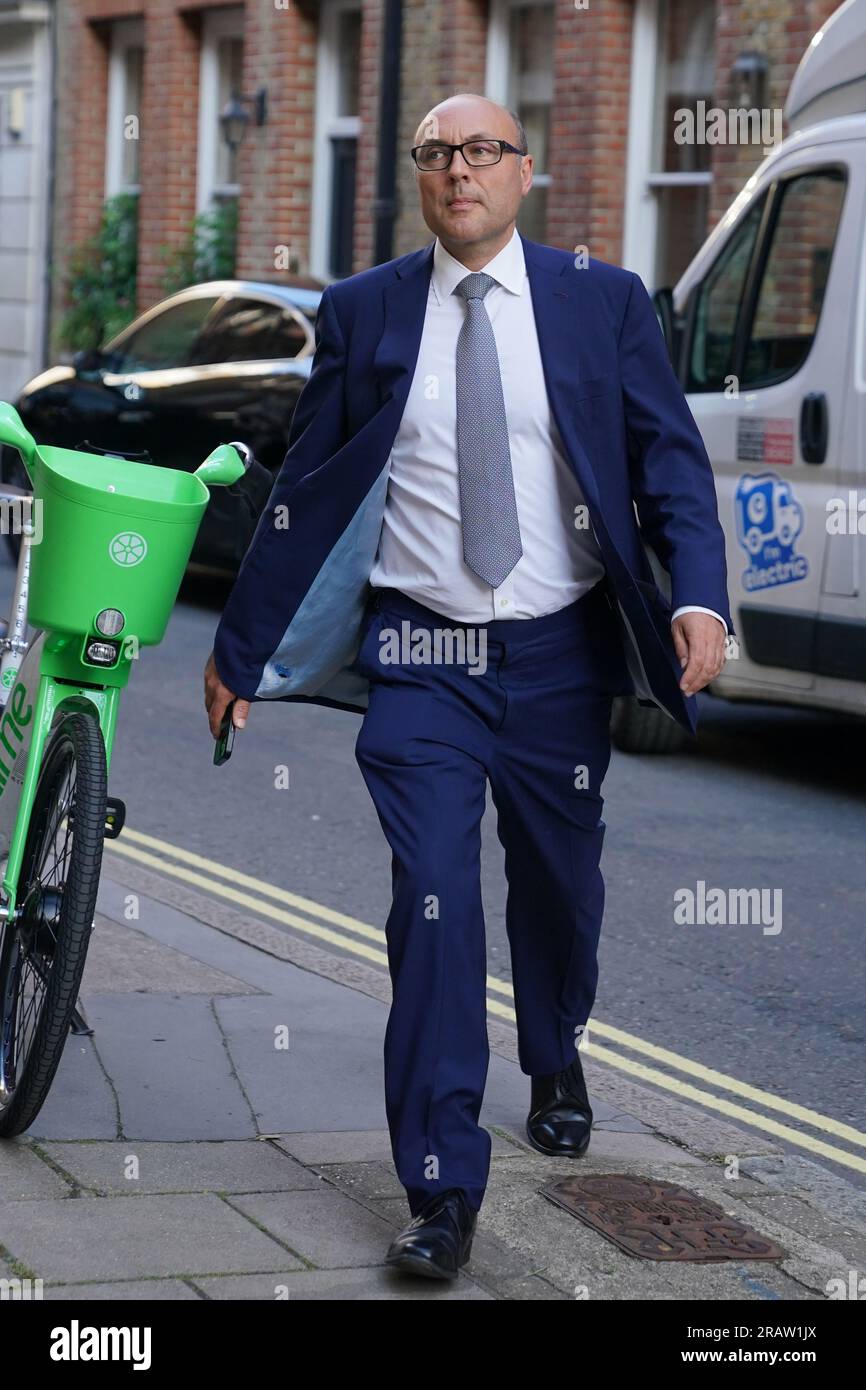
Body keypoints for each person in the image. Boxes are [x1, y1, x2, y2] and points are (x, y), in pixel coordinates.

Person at [204, 92, 731, 1281]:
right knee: (432, 899)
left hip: (556, 651)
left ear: (524, 171)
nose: (459, 171)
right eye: (436, 153)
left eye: (482, 150)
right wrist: (241, 651)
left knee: (559, 886)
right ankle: (439, 1187)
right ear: (418, 176)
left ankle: (551, 1047)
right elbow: (305, 487)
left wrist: (698, 594)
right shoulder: (364, 311)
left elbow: (668, 462)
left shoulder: (600, 303)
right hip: (422, 653)